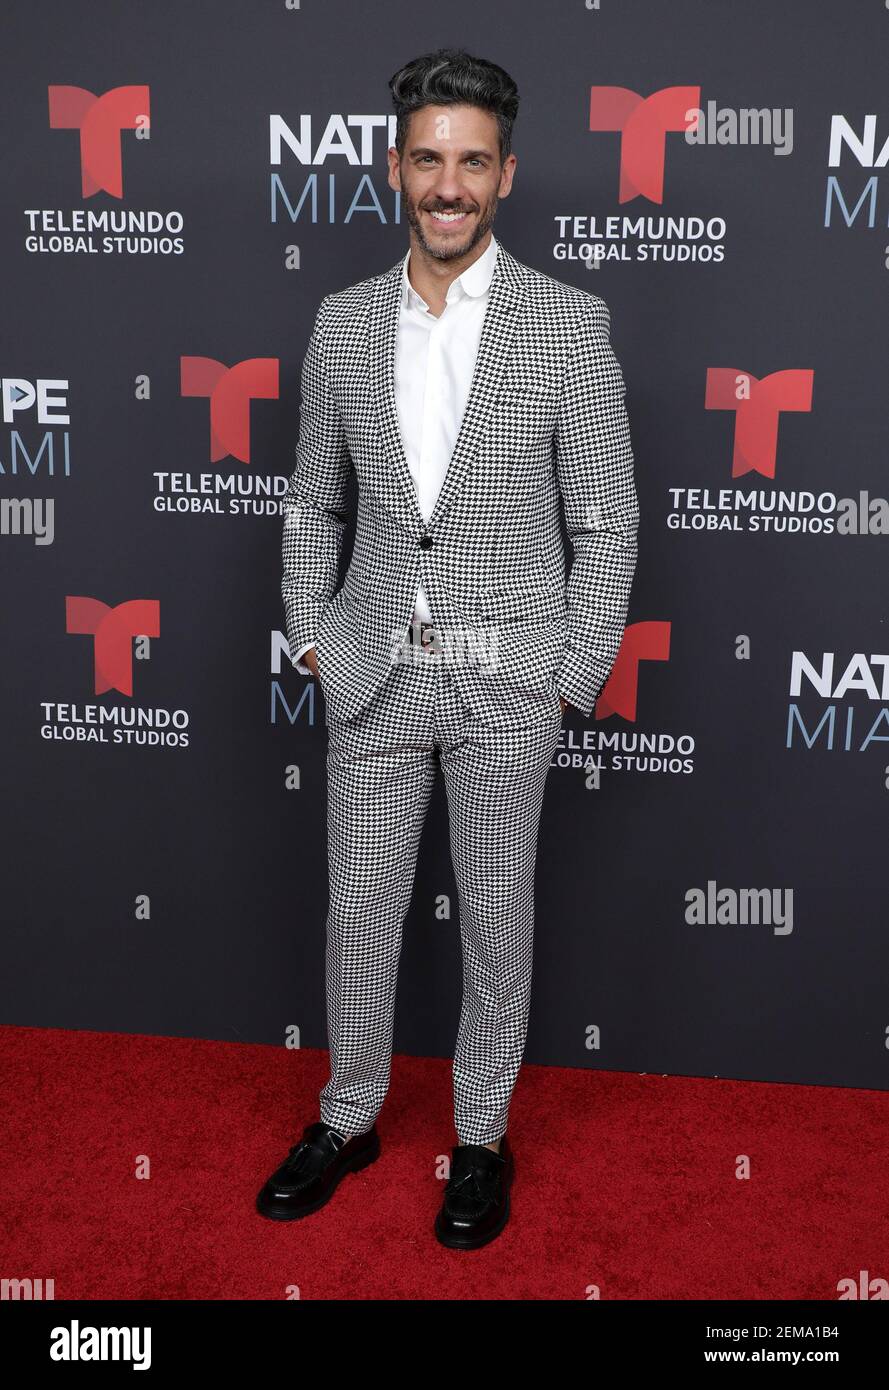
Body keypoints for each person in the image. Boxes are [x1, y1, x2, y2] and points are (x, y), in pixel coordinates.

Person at [257, 46, 639, 1249]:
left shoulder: (569, 326)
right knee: (358, 911)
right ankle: (350, 1112)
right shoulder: (340, 321)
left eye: (472, 161)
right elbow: (312, 499)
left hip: (507, 681)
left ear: (507, 175)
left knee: (495, 918)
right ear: (395, 169)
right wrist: (311, 635)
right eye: (428, 159)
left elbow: (608, 515)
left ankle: (479, 1136)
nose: (448, 184)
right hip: (371, 671)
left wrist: (570, 670)